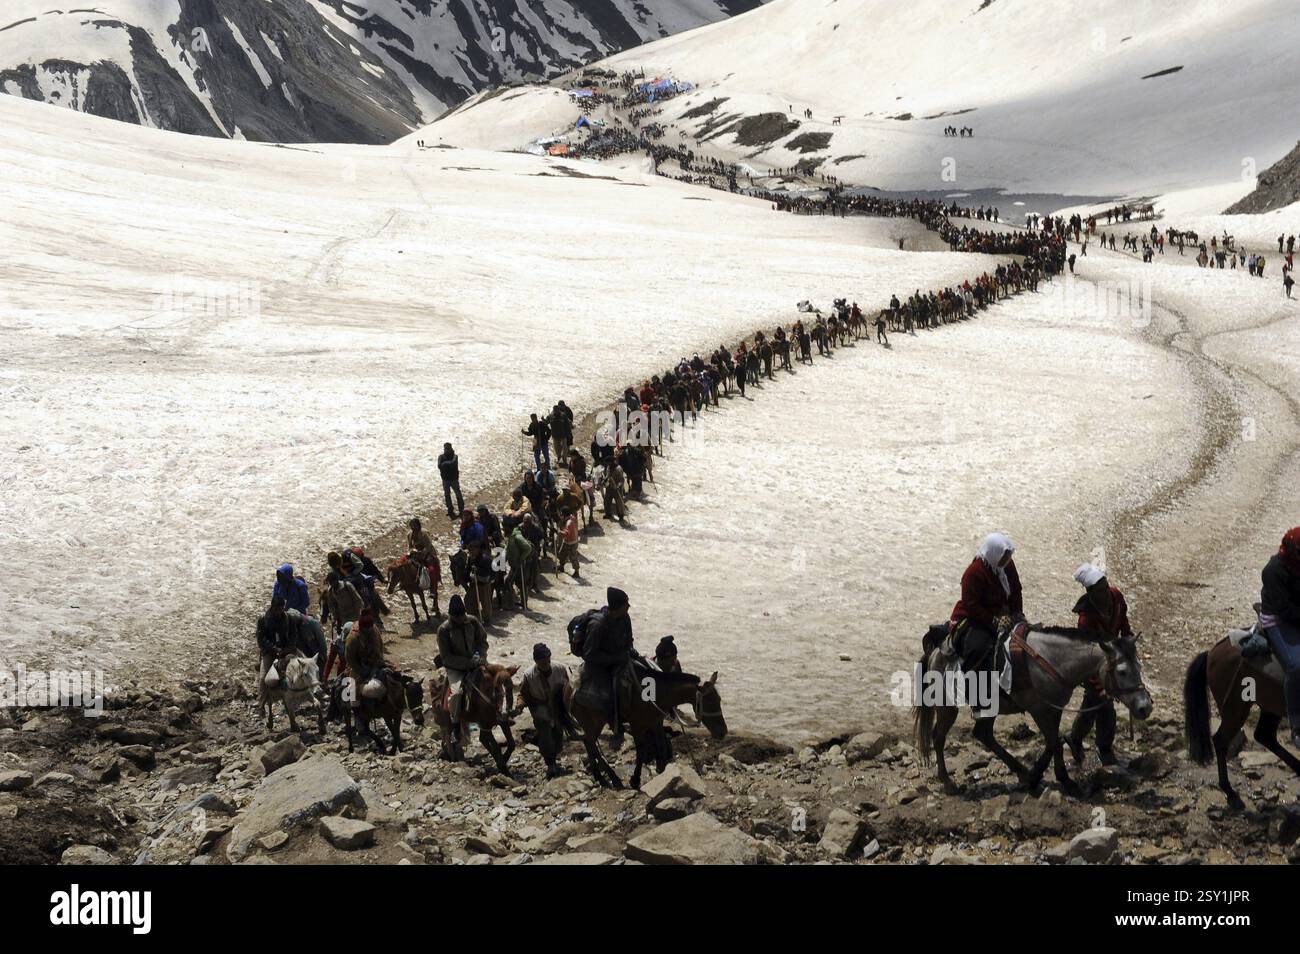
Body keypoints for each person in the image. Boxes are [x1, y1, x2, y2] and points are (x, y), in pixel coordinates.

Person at [1067, 563, 1132, 765]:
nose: (1105, 593)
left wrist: (1127, 637)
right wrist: (1099, 684)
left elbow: (1123, 620)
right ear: (1091, 594)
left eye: (1105, 586)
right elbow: (1087, 653)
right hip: (1092, 664)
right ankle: (1104, 748)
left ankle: (1075, 739)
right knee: (1103, 703)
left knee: (1092, 704)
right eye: (1100, 590)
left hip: (1111, 657)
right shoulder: (1086, 619)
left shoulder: (1116, 597)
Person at [950, 532, 1024, 678]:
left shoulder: (1007, 565)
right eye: (1004, 556)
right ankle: (974, 689)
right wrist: (994, 620)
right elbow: (971, 605)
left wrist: (1017, 614)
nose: (1007, 559)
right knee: (978, 649)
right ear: (994, 554)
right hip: (977, 619)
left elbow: (1016, 590)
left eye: (1008, 556)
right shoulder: (973, 573)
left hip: (1005, 615)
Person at [578, 587, 637, 748]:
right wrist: (615, 659)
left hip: (622, 658)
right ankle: (616, 729)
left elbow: (629, 638)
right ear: (618, 606)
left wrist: (630, 650)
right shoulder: (598, 625)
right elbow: (589, 654)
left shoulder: (625, 618)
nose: (629, 606)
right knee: (611, 692)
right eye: (626, 603)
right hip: (599, 666)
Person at [1260, 528, 1300, 746]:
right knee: (1296, 665)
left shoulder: (1296, 565)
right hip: (1277, 620)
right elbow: (1285, 611)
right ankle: (1297, 724)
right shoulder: (1273, 571)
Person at [514, 643, 573, 778]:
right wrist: (520, 705)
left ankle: (550, 751)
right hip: (540, 707)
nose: (545, 662)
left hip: (558, 707)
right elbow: (523, 694)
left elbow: (571, 684)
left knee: (558, 735)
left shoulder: (561, 668)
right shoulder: (529, 675)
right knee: (545, 734)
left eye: (547, 658)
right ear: (536, 661)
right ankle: (550, 764)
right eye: (541, 660)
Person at [437, 594, 489, 744]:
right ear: (451, 616)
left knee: (494, 681)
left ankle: (499, 712)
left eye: (462, 616)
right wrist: (467, 663)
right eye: (457, 617)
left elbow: (482, 641)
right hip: (456, 668)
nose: (460, 620)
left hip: (477, 661)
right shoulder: (444, 630)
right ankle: (455, 725)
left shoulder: (472, 621)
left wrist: (480, 654)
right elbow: (446, 657)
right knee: (455, 694)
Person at [344, 609, 386, 709]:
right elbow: (349, 657)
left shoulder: (374, 629)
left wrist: (380, 661)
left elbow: (380, 645)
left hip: (375, 661)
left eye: (370, 628)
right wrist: (360, 671)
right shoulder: (353, 637)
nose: (369, 631)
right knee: (353, 694)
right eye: (366, 629)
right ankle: (356, 712)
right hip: (358, 666)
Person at [505, 521, 534, 609]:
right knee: (520, 584)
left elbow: (528, 548)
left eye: (504, 528)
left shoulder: (517, 536)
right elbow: (508, 549)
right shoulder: (512, 536)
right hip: (515, 565)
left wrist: (521, 558)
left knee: (509, 582)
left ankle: (511, 604)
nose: (503, 530)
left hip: (518, 565)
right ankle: (523, 603)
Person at [437, 443, 464, 518]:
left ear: (451, 448)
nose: (446, 450)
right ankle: (450, 510)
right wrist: (447, 465)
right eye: (445, 448)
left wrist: (444, 464)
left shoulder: (455, 456)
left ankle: (461, 510)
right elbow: (439, 466)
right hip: (445, 480)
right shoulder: (441, 457)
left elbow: (452, 464)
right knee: (447, 495)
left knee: (458, 494)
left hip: (453, 479)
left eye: (448, 448)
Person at [556, 508, 580, 578]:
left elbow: (566, 533)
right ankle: (561, 566)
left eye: (562, 515)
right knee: (561, 554)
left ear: (564, 515)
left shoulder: (569, 523)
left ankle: (576, 572)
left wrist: (559, 532)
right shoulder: (572, 518)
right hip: (567, 541)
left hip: (571, 543)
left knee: (573, 557)